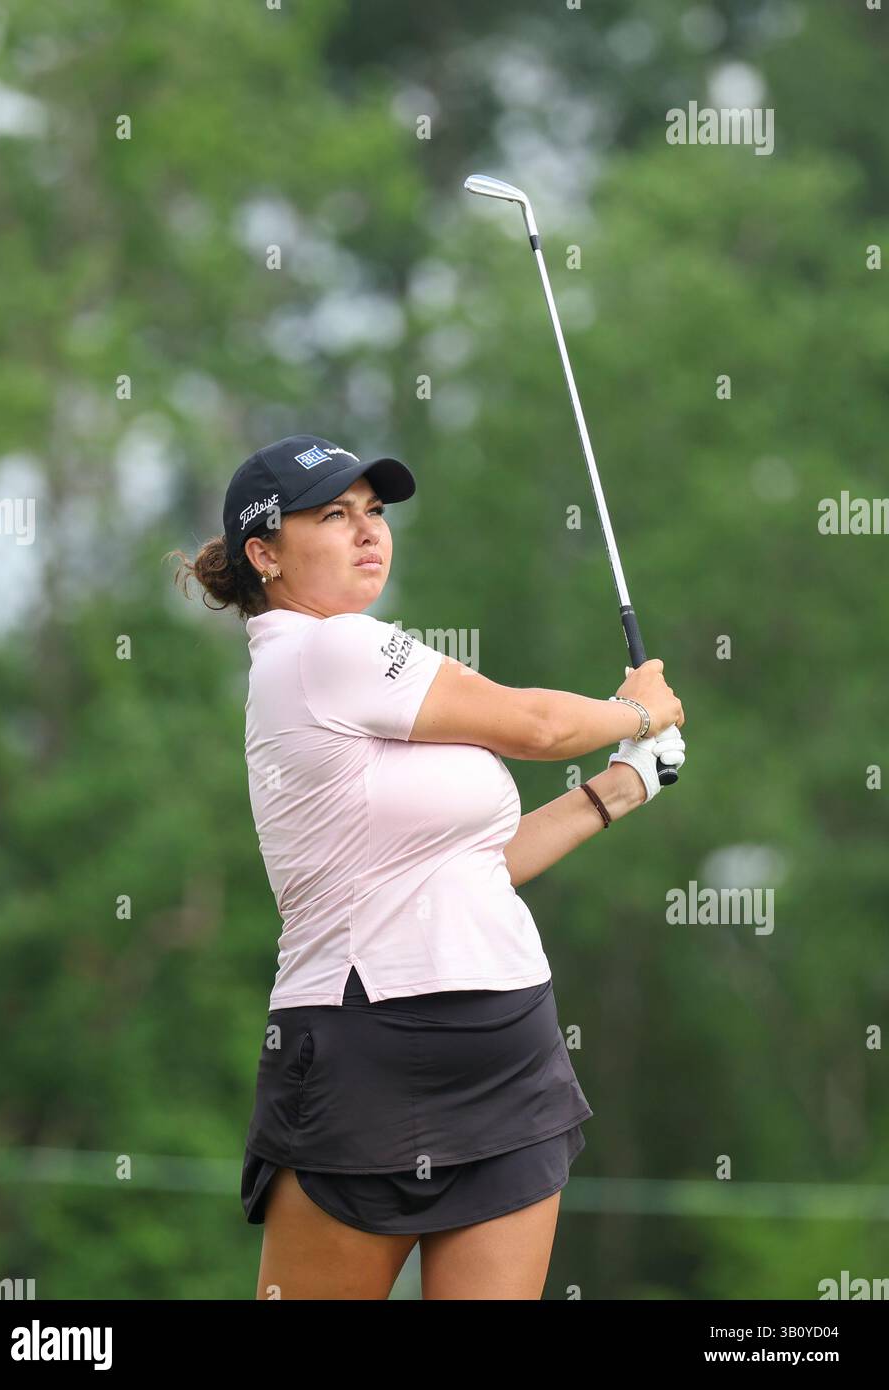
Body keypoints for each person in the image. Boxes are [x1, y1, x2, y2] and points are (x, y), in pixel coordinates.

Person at [170, 433, 685, 1300]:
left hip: (507, 1037)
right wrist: (635, 710)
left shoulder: (349, 659)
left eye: (374, 512)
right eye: (334, 515)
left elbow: (474, 870)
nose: (369, 531)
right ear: (264, 554)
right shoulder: (324, 652)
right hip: (365, 1044)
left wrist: (621, 788)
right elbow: (537, 728)